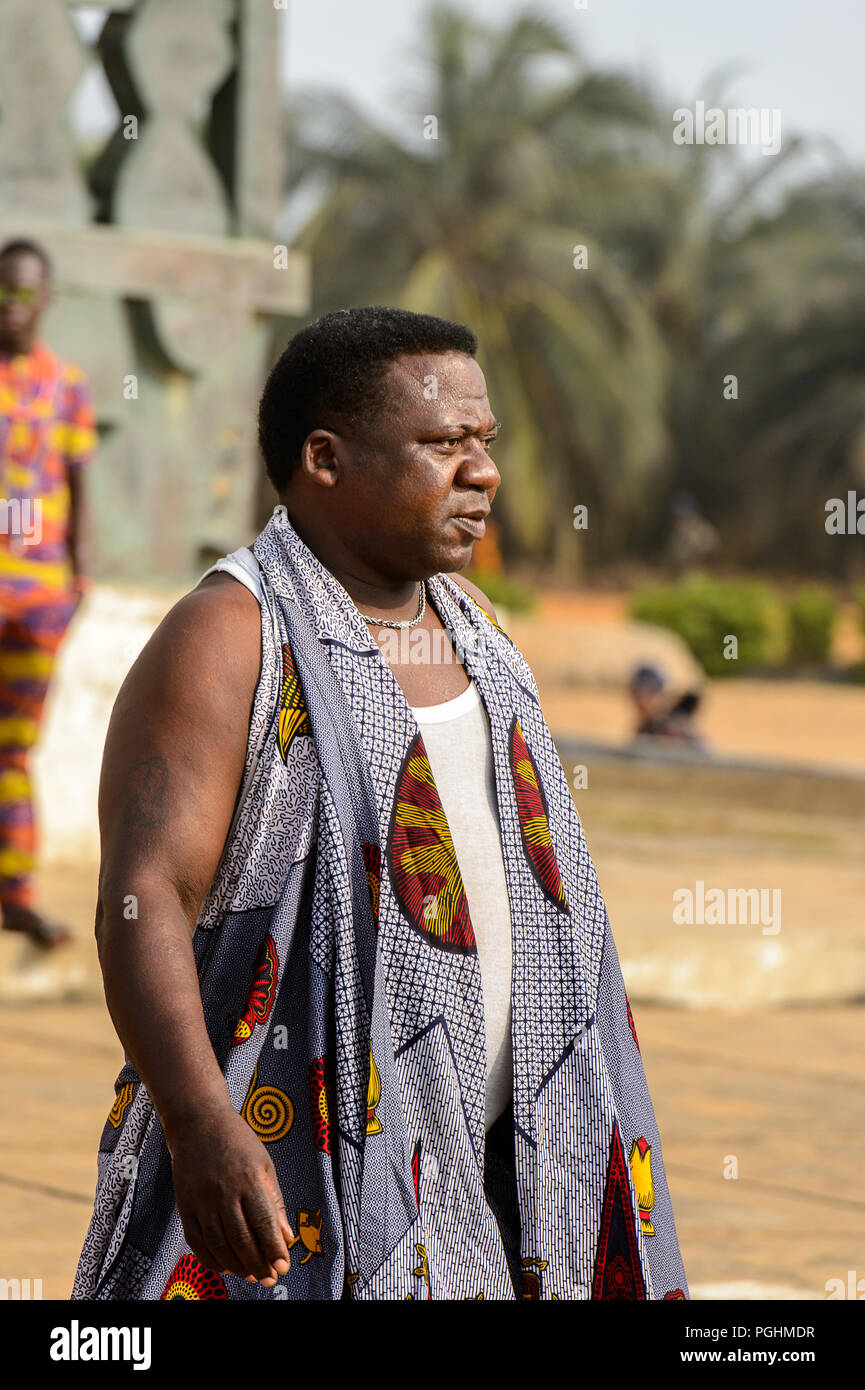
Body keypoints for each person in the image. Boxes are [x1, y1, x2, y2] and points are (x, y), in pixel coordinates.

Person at [74, 307, 688, 1301]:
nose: (483, 471)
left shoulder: (476, 629)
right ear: (326, 458)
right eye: (445, 444)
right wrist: (199, 1126)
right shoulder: (229, 639)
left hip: (505, 1162)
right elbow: (141, 899)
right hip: (290, 1161)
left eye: (483, 442)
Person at [0, 239, 97, 949]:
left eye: (26, 293)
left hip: (40, 599)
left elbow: (80, 483)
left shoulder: (66, 384)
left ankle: (17, 896)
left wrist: (79, 575)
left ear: (47, 299)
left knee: (13, 746)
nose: (13, 305)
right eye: (4, 290)